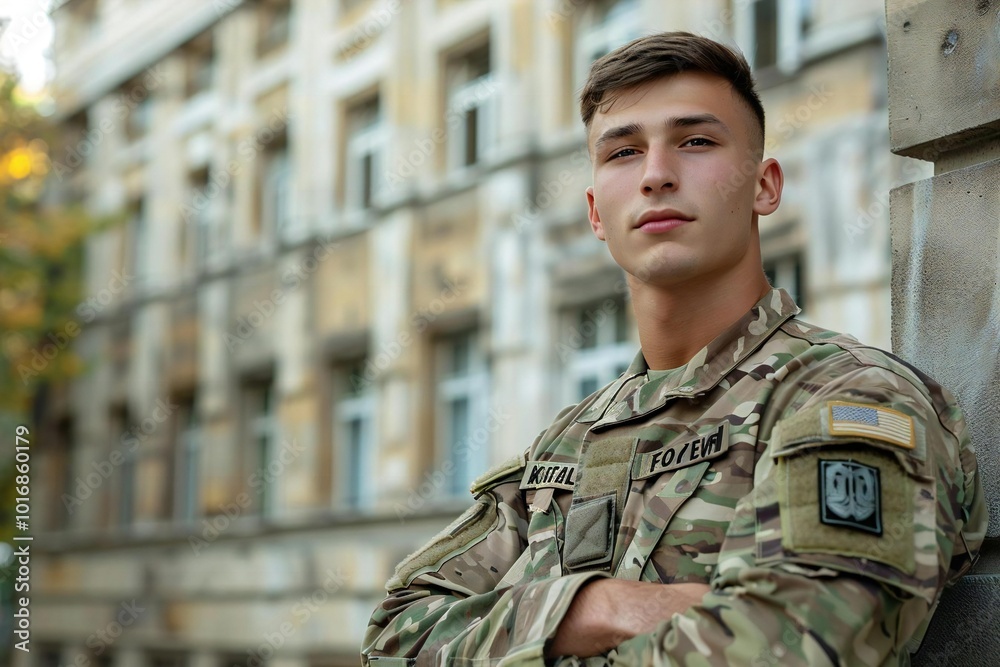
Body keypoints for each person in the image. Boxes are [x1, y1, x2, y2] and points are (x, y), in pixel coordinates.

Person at [360, 31, 987, 666]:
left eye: (696, 142)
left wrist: (522, 632)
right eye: (624, 152)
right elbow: (394, 638)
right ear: (596, 212)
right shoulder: (571, 439)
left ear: (764, 186)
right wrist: (599, 608)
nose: (657, 175)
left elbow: (784, 649)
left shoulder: (848, 397)